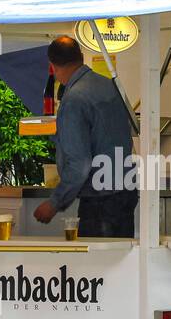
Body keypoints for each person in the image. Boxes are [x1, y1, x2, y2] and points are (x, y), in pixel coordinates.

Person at [32, 36, 137, 238]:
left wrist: (55, 202)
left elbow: (79, 163)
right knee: (122, 264)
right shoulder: (110, 86)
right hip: (125, 192)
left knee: (98, 267)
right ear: (81, 56)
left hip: (100, 201)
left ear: (52, 66)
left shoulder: (74, 101)